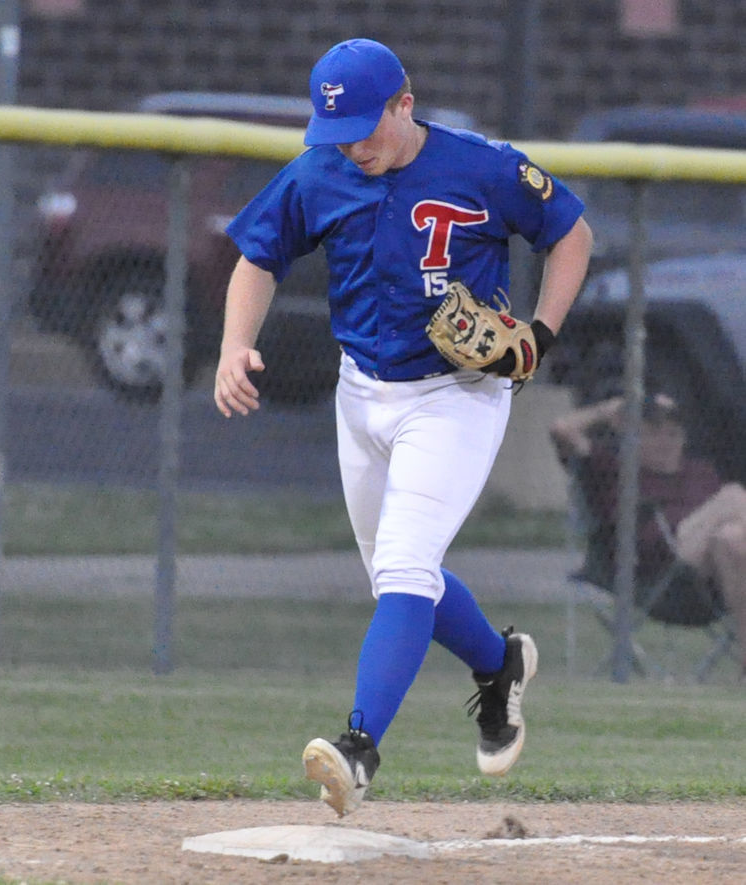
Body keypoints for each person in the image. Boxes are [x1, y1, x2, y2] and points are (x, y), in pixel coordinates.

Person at [215, 38, 593, 816]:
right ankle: (499, 666)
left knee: (403, 565)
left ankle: (357, 750)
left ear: (404, 104)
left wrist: (542, 334)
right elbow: (257, 258)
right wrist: (233, 345)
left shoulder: (481, 166)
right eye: (338, 131)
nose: (353, 145)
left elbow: (570, 232)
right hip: (360, 394)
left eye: (366, 126)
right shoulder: (321, 169)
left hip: (454, 397)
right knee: (399, 575)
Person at [550, 392, 746, 673]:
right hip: (658, 568)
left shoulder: (700, 471)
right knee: (735, 495)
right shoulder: (612, 467)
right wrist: (612, 408)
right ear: (632, 437)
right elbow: (561, 429)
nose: (666, 442)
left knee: (734, 540)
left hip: (711, 577)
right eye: (654, 433)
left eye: (673, 434)